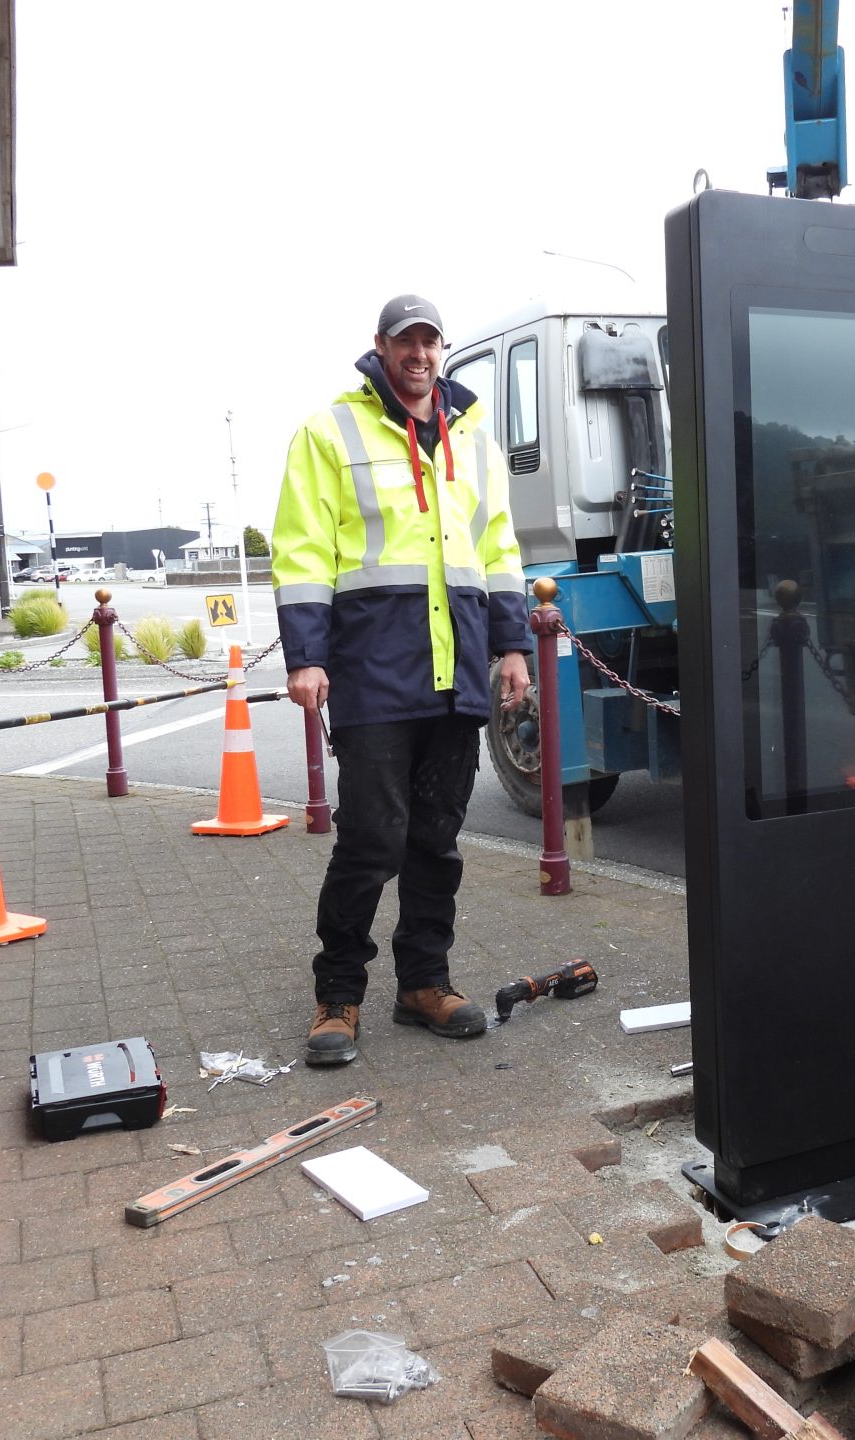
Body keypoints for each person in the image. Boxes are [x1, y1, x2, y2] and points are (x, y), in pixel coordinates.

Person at [272, 294, 532, 1065]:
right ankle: (339, 995)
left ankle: (425, 984)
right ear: (380, 346)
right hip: (373, 670)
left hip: (456, 672)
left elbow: (499, 549)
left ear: (441, 349)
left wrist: (512, 645)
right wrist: (306, 655)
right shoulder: (329, 431)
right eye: (405, 341)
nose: (419, 354)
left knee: (437, 840)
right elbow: (303, 551)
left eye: (429, 341)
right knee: (372, 840)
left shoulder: (474, 438)